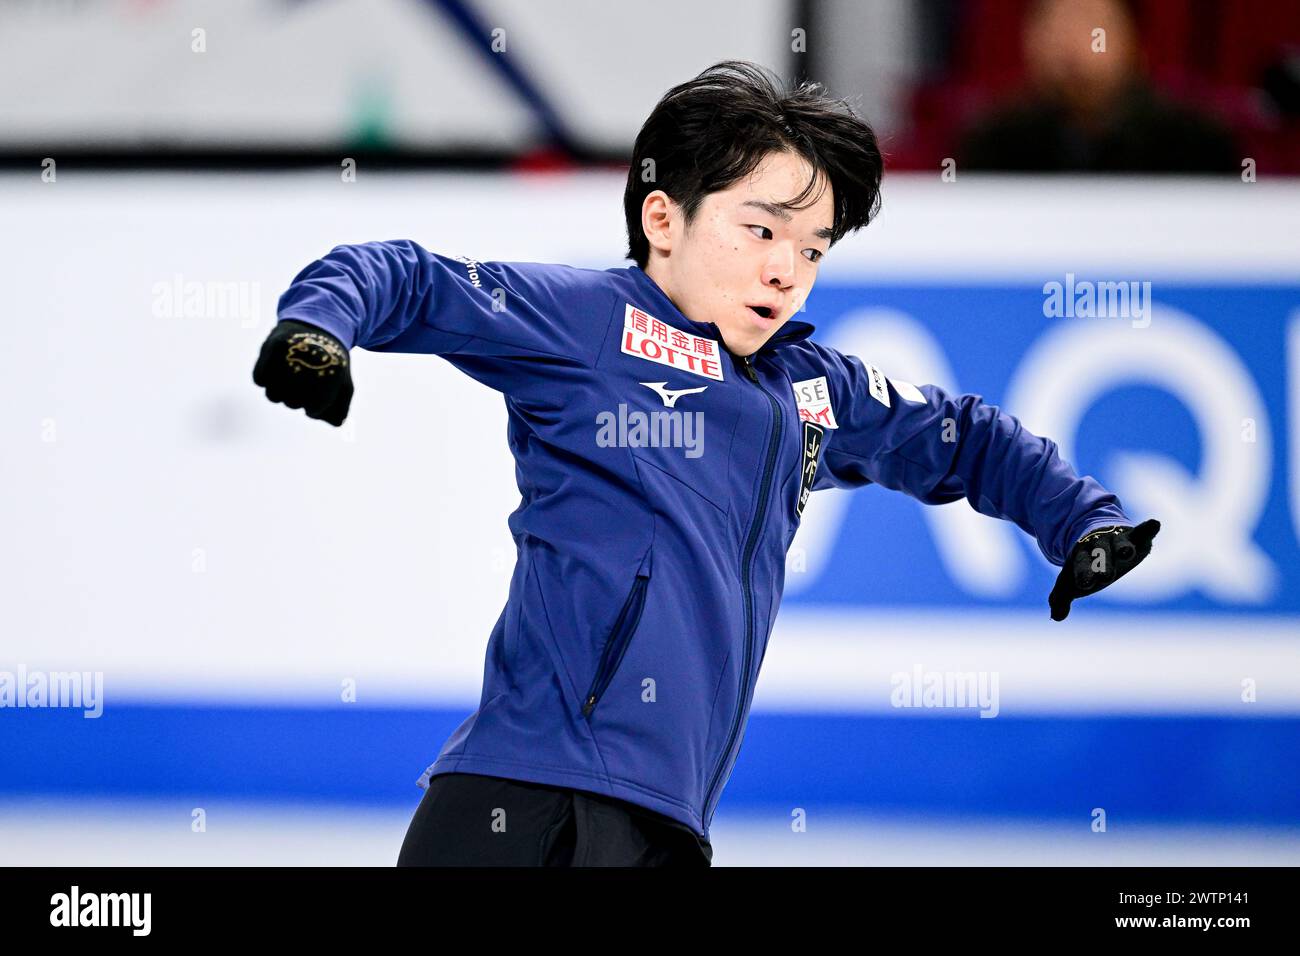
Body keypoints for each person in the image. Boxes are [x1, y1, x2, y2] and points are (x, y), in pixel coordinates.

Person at [252, 60, 1159, 866]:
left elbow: (963, 436)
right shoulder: (588, 323)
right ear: (663, 218)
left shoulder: (815, 389)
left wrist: (1083, 517)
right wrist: (318, 329)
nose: (788, 272)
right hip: (524, 801)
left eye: (812, 249)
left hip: (671, 829)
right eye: (761, 232)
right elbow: (406, 274)